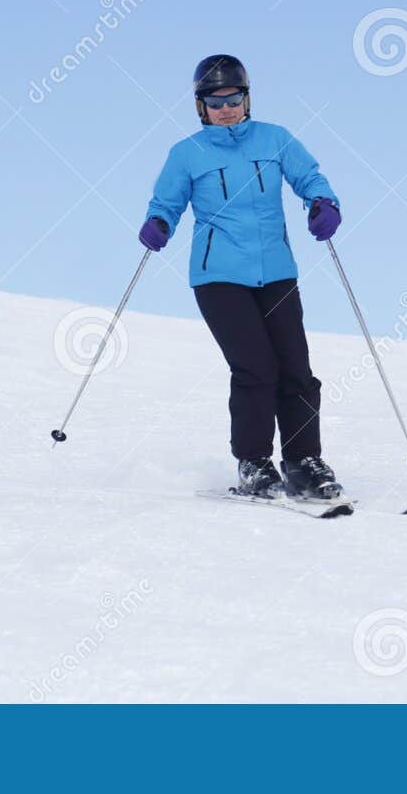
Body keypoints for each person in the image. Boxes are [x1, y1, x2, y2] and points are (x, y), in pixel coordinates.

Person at [139, 55, 346, 499]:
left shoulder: (275, 139)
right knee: (256, 367)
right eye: (216, 102)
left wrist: (323, 203)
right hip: (219, 277)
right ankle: (254, 463)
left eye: (233, 99)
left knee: (297, 369)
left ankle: (303, 462)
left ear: (246, 98)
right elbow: (166, 203)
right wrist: (158, 223)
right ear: (201, 107)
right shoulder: (187, 153)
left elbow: (309, 176)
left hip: (276, 272)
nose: (226, 108)